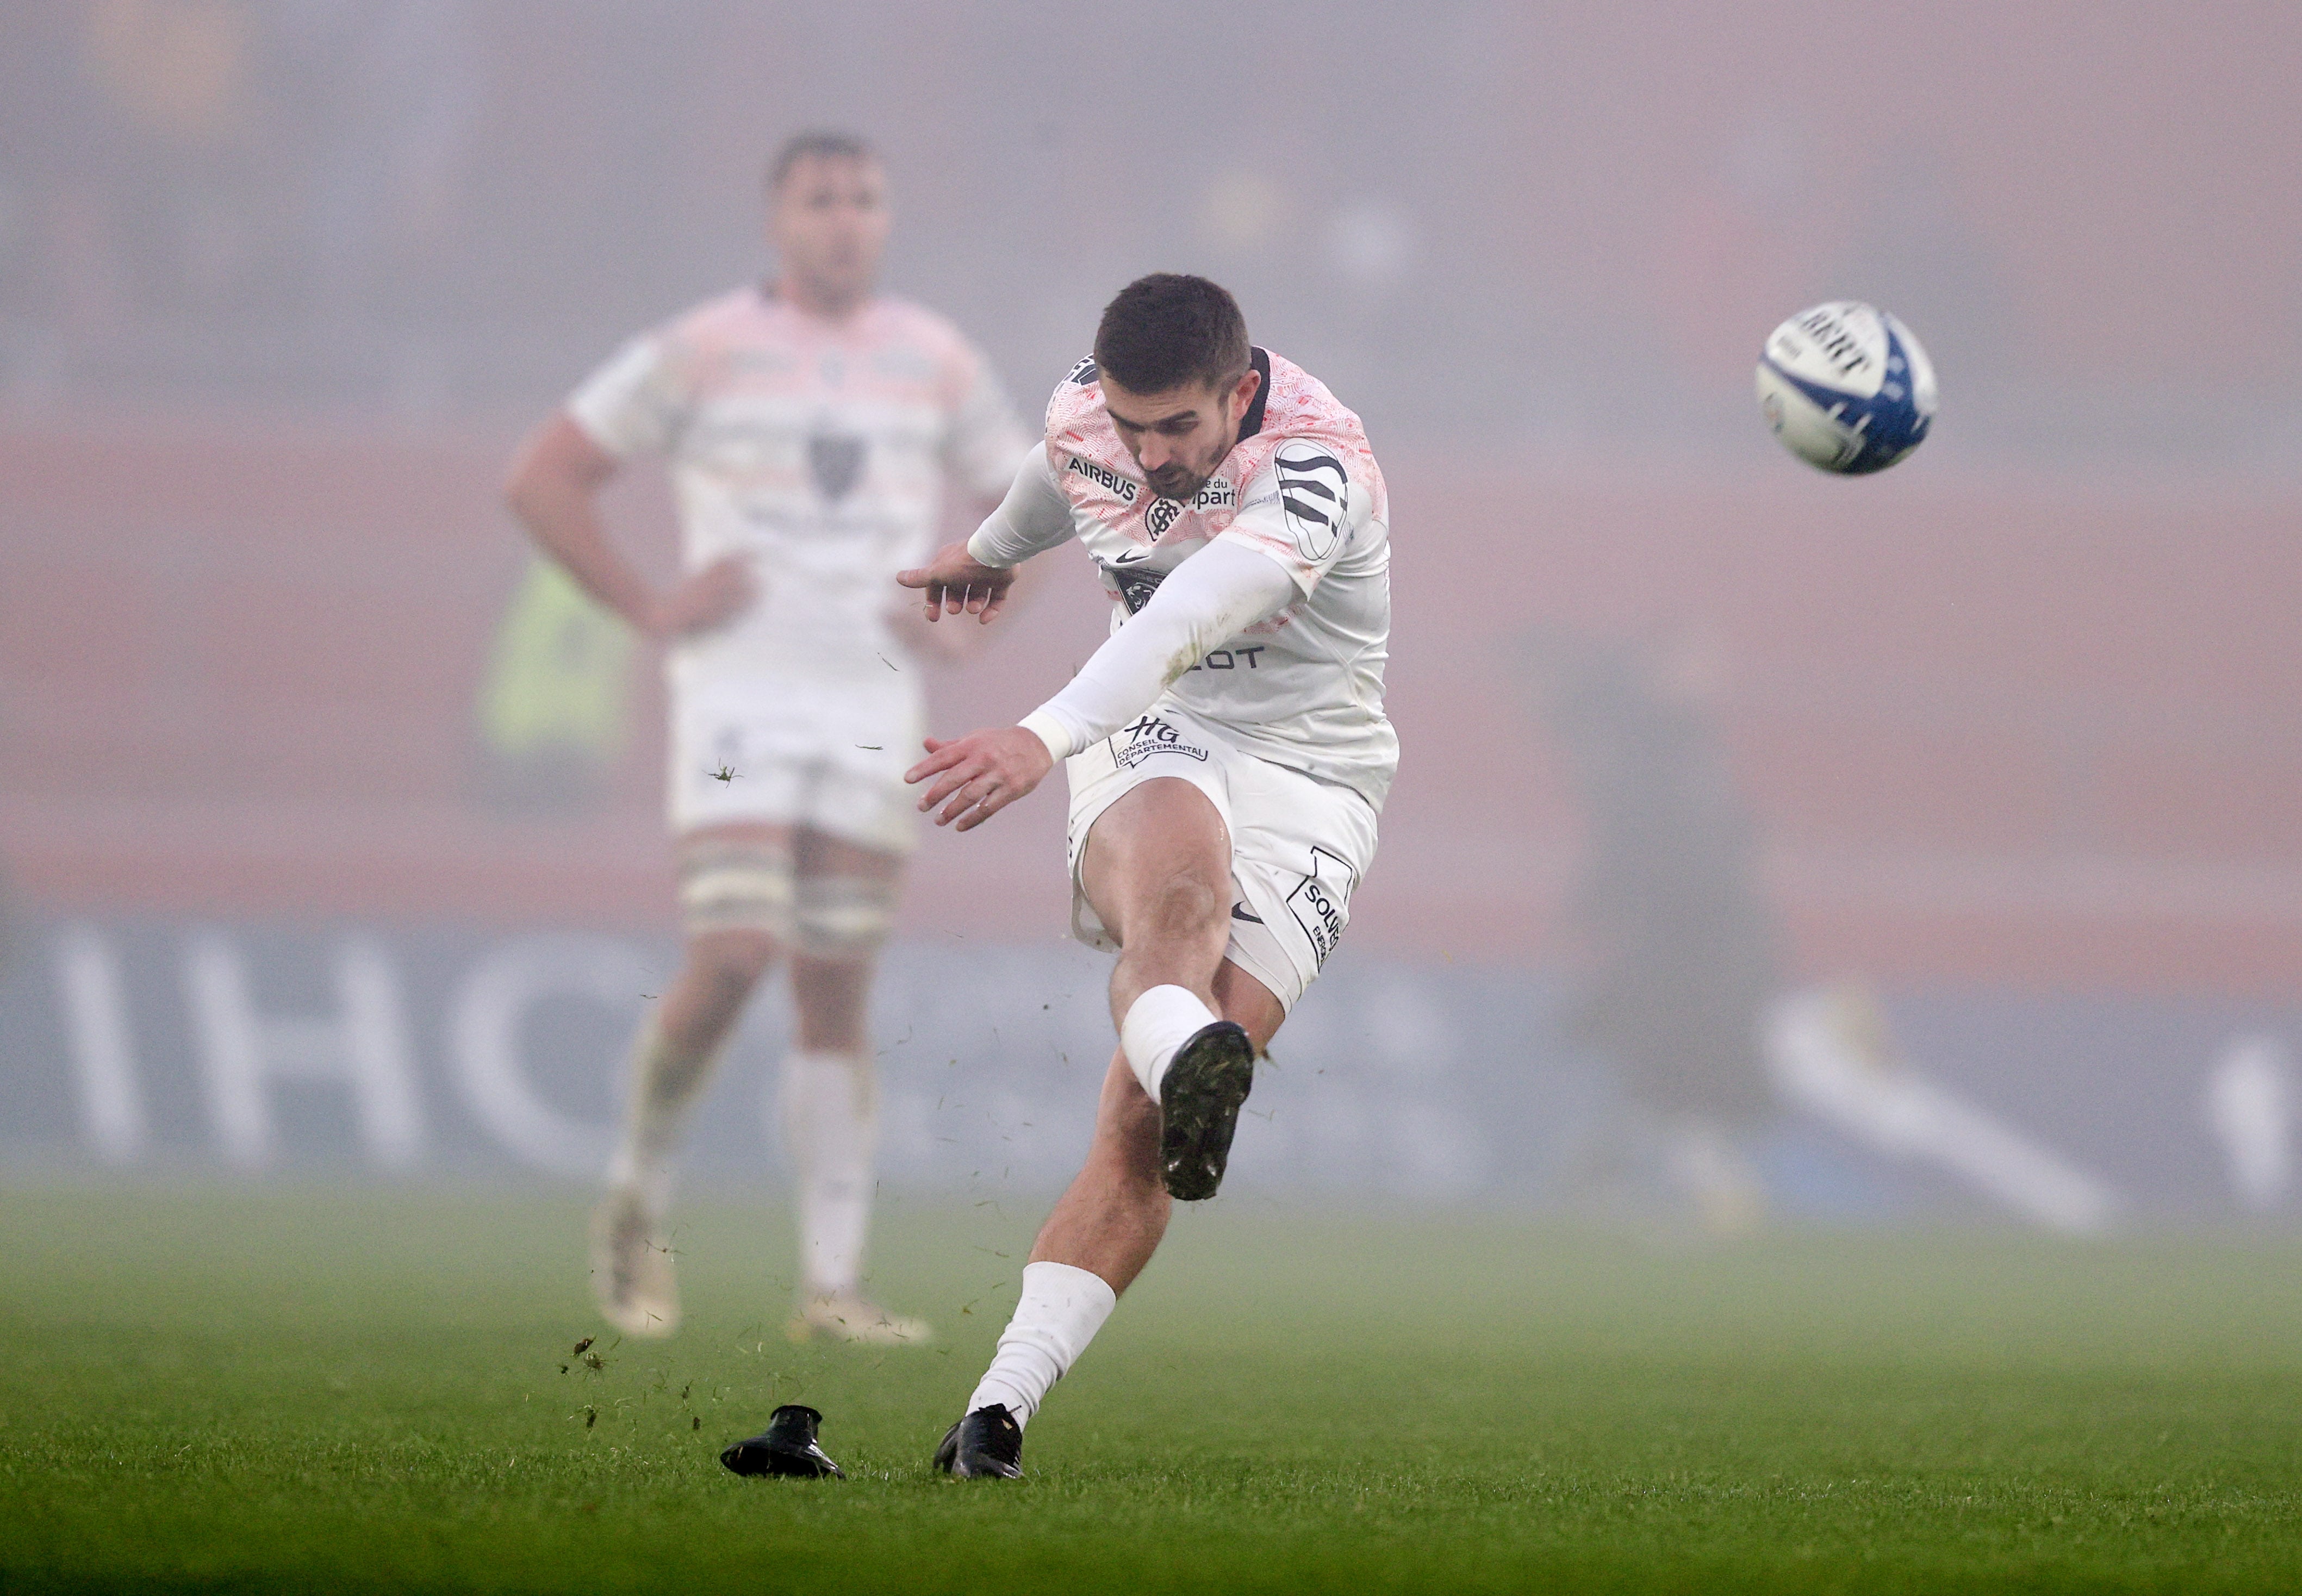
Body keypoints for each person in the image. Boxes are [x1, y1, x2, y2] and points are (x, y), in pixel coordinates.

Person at [503, 131, 1028, 1344]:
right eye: (818, 199)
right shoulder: (702, 347)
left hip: (867, 697)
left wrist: (961, 618)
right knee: (734, 952)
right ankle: (635, 1197)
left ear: (886, 217)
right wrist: (648, 604)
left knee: (834, 987)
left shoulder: (933, 356)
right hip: (736, 690)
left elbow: (1030, 503)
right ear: (775, 219)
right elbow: (544, 475)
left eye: (863, 198)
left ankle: (831, 1287)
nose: (843, 219)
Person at [895, 273, 1396, 1475]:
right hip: (1156, 725)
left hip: (1315, 778)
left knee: (1136, 1120)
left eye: (1179, 427)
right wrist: (987, 549)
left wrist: (1032, 735)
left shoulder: (1315, 471)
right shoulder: (1093, 416)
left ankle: (996, 1406)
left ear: (1237, 393)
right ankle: (1192, 1054)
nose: (1153, 454)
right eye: (1134, 427)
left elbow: (1182, 614)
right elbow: (1054, 471)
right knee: (1174, 906)